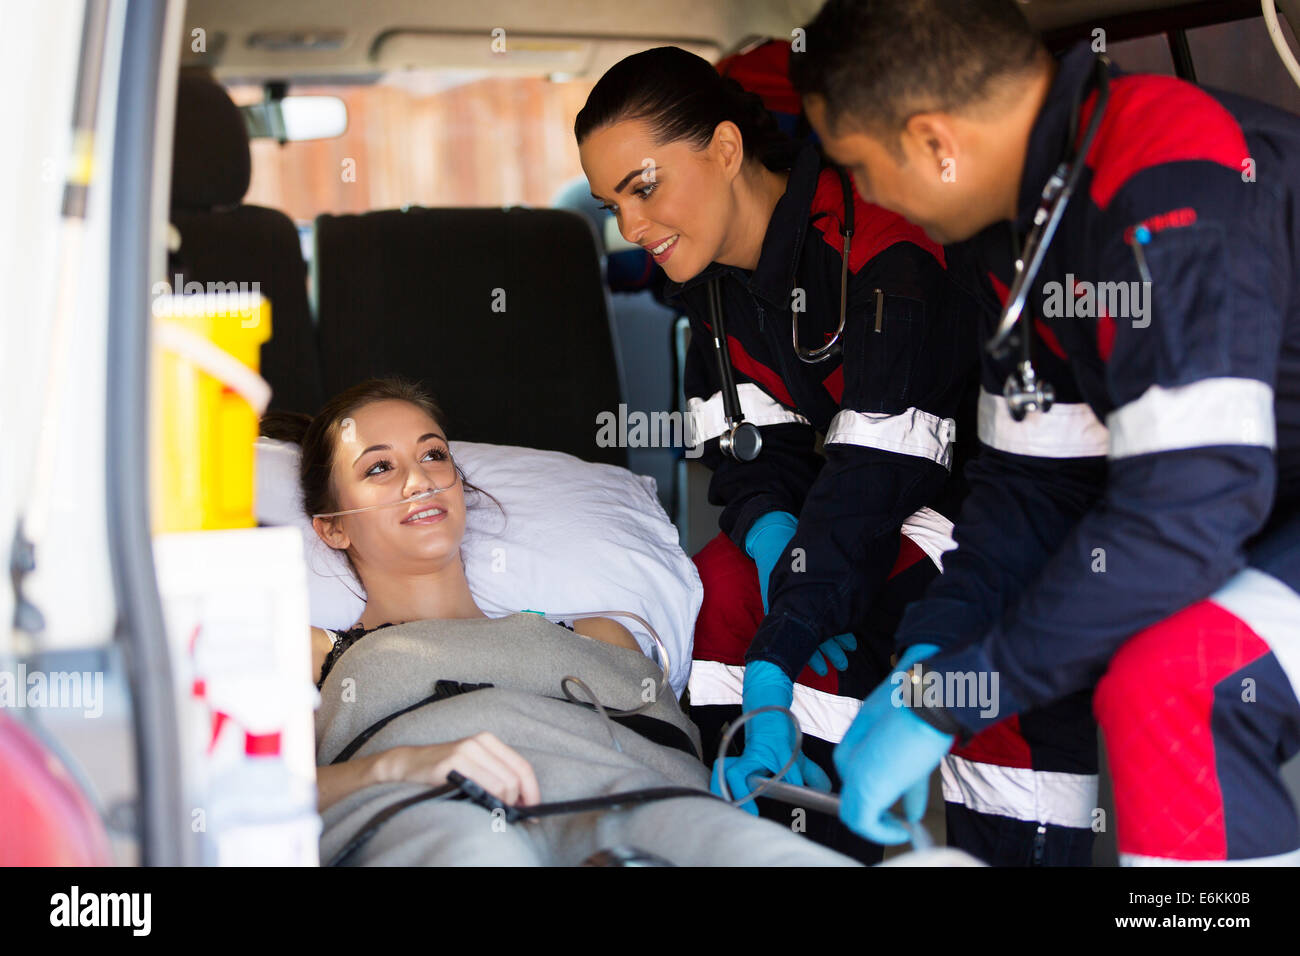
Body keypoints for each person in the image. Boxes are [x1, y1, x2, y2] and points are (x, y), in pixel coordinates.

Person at [794, 0, 1300, 865]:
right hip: (1265, 516)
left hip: (1244, 512)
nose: (869, 198)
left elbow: (1185, 515)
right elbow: (1035, 490)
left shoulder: (1169, 176)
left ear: (931, 140)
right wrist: (935, 658)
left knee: (1176, 679)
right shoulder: (1027, 234)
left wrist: (951, 701)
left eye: (859, 167)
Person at [574, 46, 981, 852]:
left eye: (645, 187)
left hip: (970, 509)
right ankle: (751, 819)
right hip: (859, 509)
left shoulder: (880, 248)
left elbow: (876, 475)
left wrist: (784, 642)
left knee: (828, 618)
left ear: (726, 150)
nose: (632, 227)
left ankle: (837, 838)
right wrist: (768, 533)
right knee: (720, 587)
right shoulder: (712, 290)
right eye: (611, 204)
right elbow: (748, 448)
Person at [264, 376, 861, 866]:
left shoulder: (602, 633)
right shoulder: (313, 654)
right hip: (421, 810)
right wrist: (397, 767)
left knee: (735, 846)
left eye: (433, 454)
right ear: (332, 528)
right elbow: (241, 800)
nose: (418, 479)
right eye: (378, 469)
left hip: (634, 801)